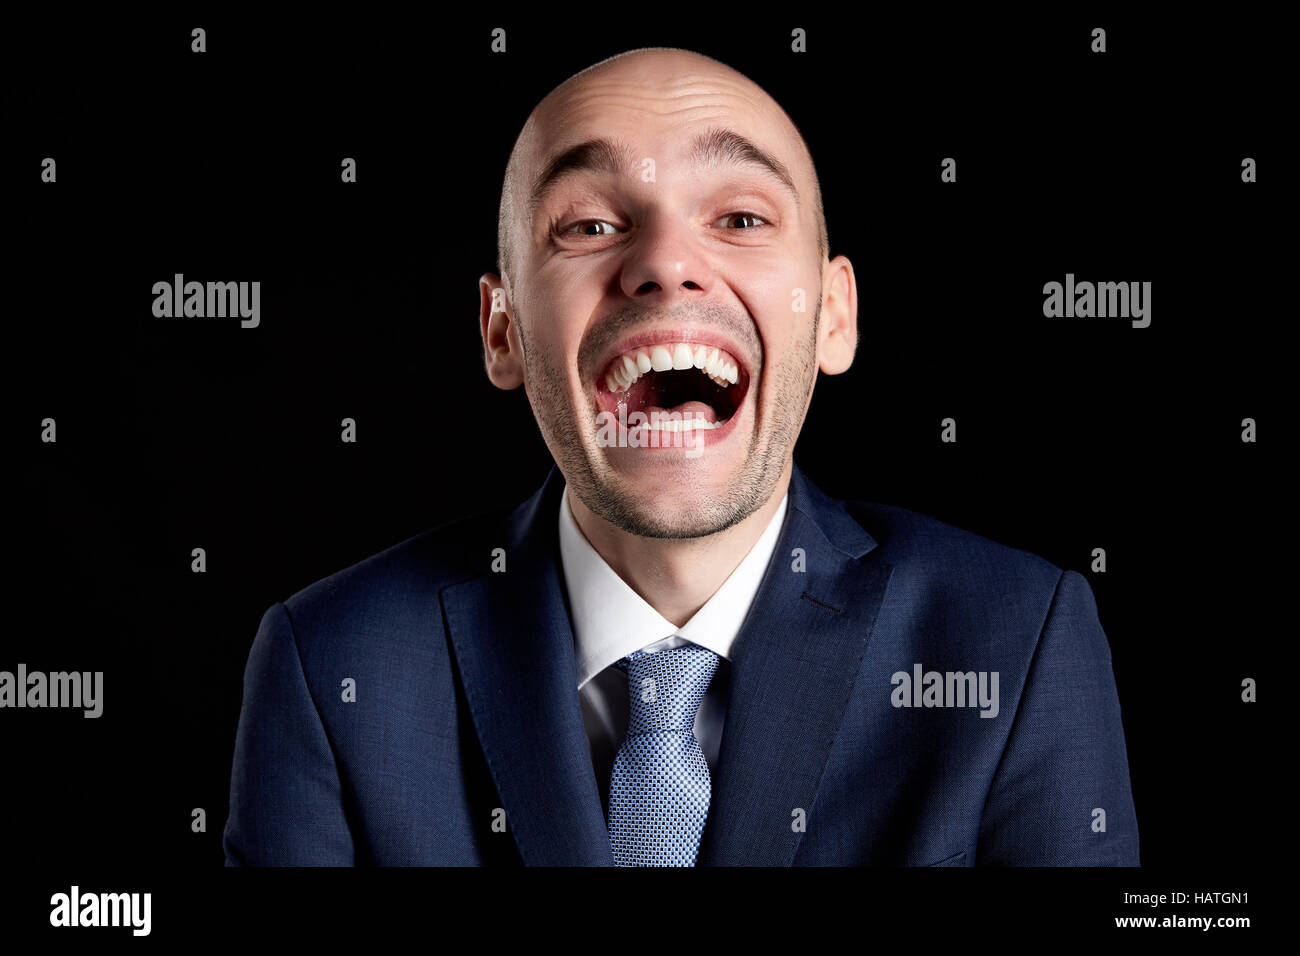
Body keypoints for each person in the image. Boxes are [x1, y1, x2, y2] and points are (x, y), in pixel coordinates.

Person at [223, 47, 1139, 866]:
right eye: (588, 226)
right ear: (502, 331)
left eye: (740, 218)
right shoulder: (330, 665)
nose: (665, 262)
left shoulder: (1017, 643)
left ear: (833, 315)